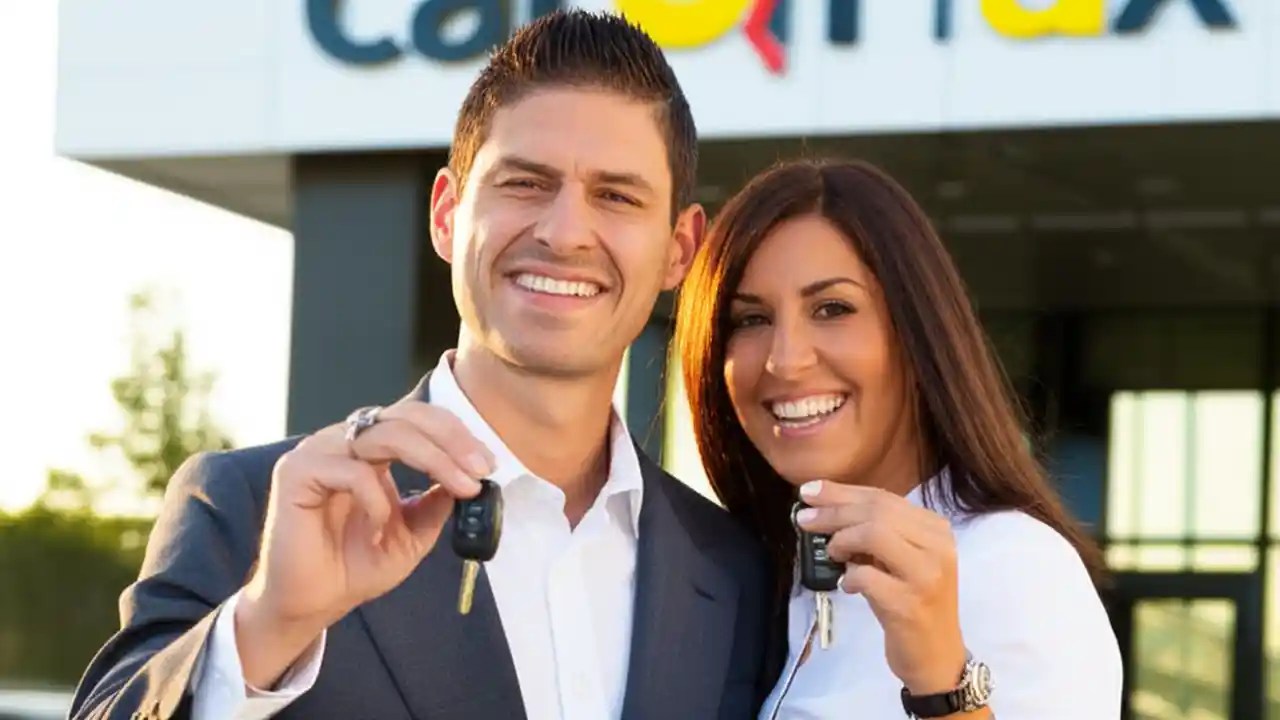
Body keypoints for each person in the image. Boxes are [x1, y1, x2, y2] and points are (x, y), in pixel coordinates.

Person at [69, 11, 782, 720]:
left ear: (679, 249)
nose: (564, 233)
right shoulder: (247, 508)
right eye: (525, 184)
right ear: (446, 214)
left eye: (616, 196)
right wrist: (267, 626)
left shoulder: (731, 571)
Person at [673, 158, 1123, 719]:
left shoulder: (1012, 566)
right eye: (750, 319)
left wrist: (943, 684)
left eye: (832, 309)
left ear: (916, 334)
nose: (785, 360)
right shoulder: (760, 583)